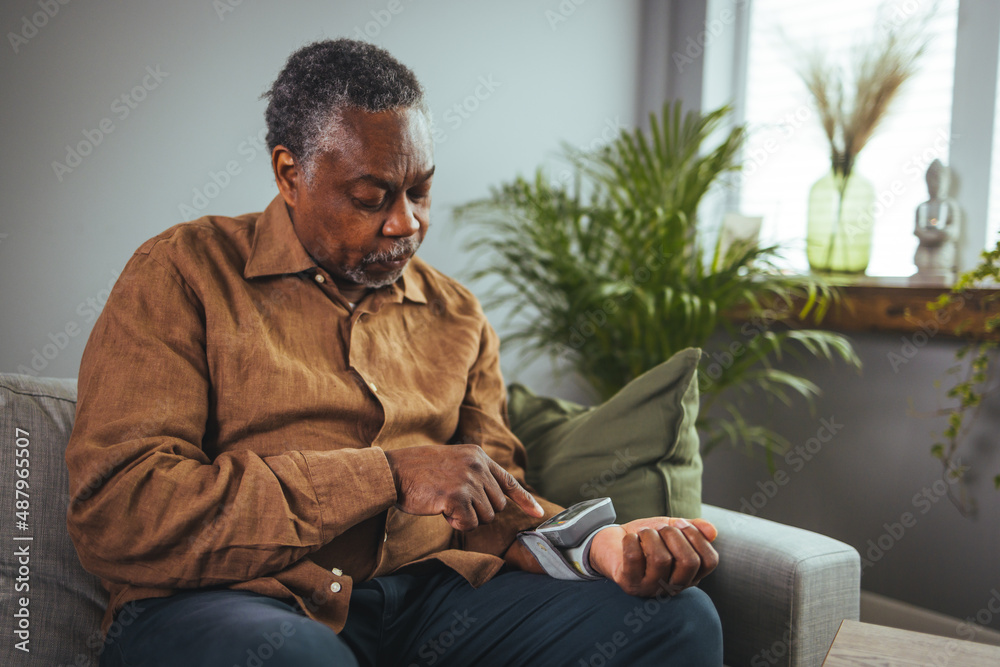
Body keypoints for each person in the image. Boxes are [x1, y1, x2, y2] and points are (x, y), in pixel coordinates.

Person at [66, 38, 723, 667]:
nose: (407, 222)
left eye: (420, 190)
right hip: (240, 601)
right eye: (370, 197)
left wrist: (600, 546)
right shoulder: (184, 272)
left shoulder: (457, 314)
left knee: (678, 619)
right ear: (289, 173)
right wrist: (388, 474)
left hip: (431, 600)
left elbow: (496, 507)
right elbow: (119, 513)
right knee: (294, 657)